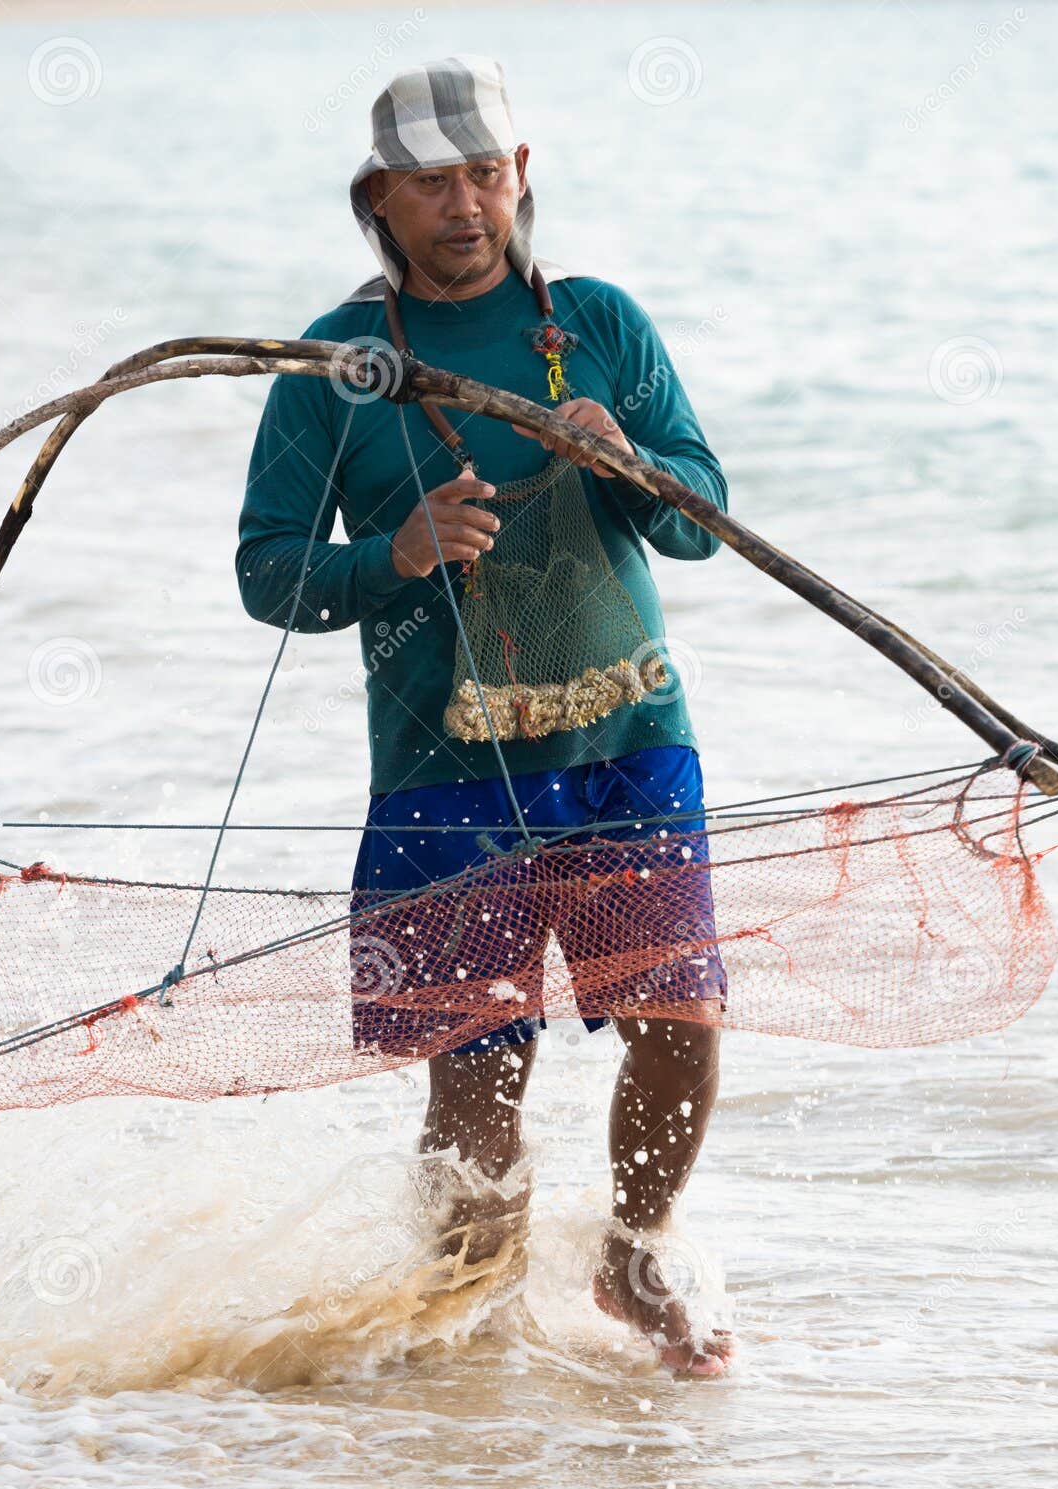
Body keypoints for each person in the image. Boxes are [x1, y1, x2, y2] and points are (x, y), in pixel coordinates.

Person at [236, 55, 733, 1377]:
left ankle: (635, 1250)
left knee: (682, 1021)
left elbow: (704, 519)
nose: (464, 203)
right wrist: (392, 555)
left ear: (522, 176)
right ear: (378, 200)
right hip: (441, 774)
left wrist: (629, 463)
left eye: (485, 173)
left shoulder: (601, 323)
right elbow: (265, 572)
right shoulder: (329, 372)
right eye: (431, 182)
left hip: (630, 742)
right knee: (475, 1077)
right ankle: (466, 1325)